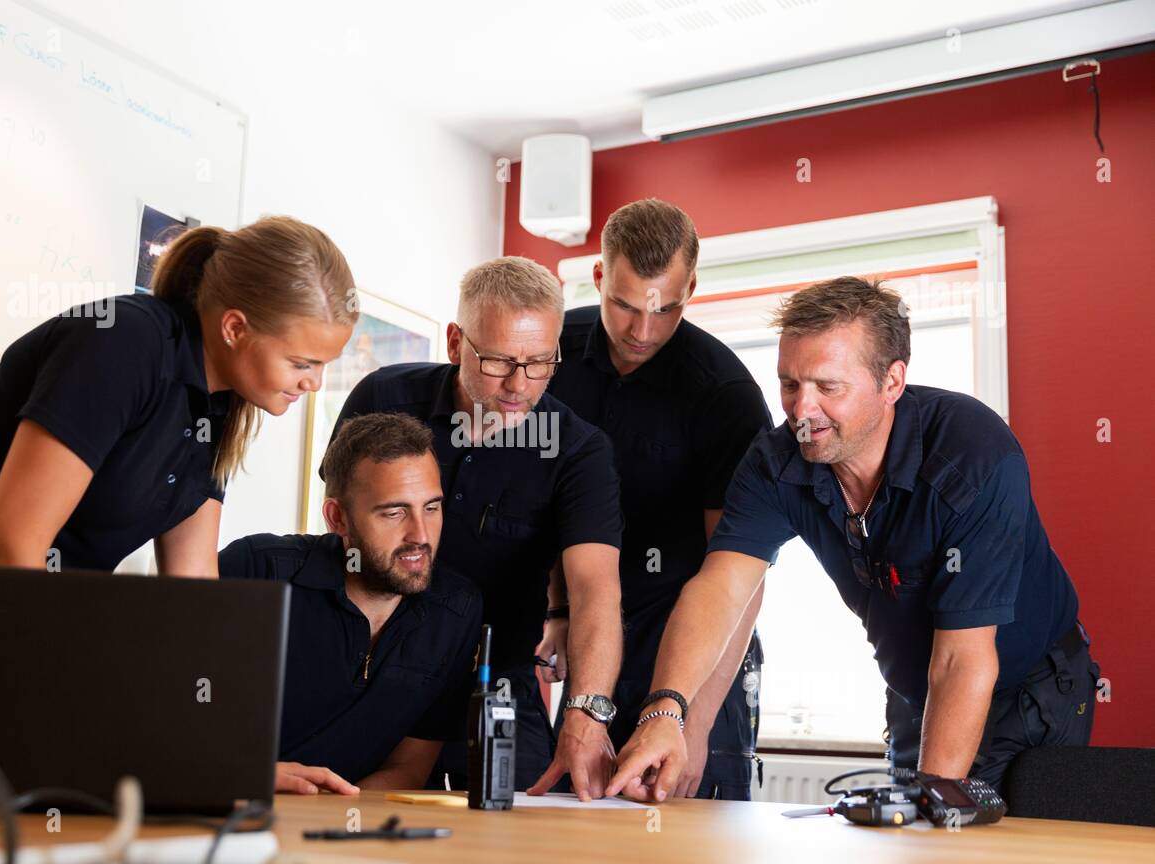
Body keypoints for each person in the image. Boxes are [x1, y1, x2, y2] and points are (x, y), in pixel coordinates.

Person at [609, 276, 1101, 802]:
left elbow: (962, 659)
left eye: (828, 387)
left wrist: (934, 805)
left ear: (892, 382)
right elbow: (721, 587)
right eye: (790, 385)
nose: (801, 411)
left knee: (989, 862)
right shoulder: (776, 460)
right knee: (915, 841)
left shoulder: (972, 455)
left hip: (1029, 690)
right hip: (916, 694)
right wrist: (671, 714)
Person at [0, 216, 357, 662]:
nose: (312, 384)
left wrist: (234, 741)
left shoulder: (220, 408)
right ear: (234, 328)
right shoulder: (124, 346)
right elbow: (7, 551)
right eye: (301, 363)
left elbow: (192, 590)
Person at [331, 257, 624, 800]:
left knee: (526, 833)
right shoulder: (383, 399)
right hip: (373, 672)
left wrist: (587, 712)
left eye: (540, 363)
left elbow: (596, 588)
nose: (519, 385)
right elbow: (338, 536)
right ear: (454, 342)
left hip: (498, 681)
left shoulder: (580, 450)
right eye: (498, 362)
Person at [548, 199, 772, 799]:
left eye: (667, 308)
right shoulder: (549, 355)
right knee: (579, 818)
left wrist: (692, 724)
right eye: (624, 305)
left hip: (694, 645)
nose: (642, 331)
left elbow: (740, 580)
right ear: (599, 277)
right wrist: (557, 610)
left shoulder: (726, 396)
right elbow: (540, 499)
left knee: (686, 832)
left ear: (691, 287)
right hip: (591, 638)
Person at [219, 413, 482, 794]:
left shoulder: (456, 609)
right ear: (337, 517)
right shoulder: (256, 570)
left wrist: (333, 824)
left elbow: (408, 769)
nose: (420, 536)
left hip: (352, 833)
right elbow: (163, 716)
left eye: (431, 507)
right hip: (231, 814)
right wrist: (243, 776)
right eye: (394, 513)